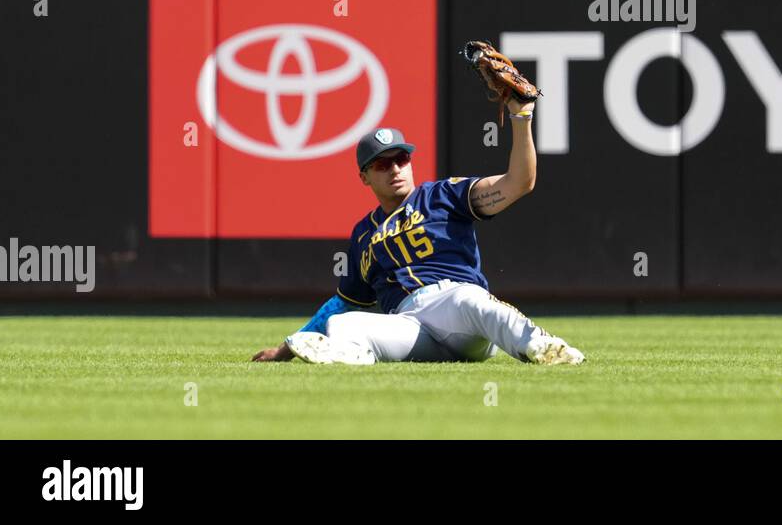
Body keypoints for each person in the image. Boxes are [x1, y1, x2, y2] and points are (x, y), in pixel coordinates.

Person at [250, 118, 586, 367]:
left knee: (470, 300)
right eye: (383, 163)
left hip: (457, 311)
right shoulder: (363, 234)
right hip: (411, 328)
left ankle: (542, 346)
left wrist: (520, 118)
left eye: (402, 159)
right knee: (343, 324)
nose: (395, 169)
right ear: (364, 176)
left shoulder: (443, 195)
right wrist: (285, 349)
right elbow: (343, 302)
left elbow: (519, 183)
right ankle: (347, 355)